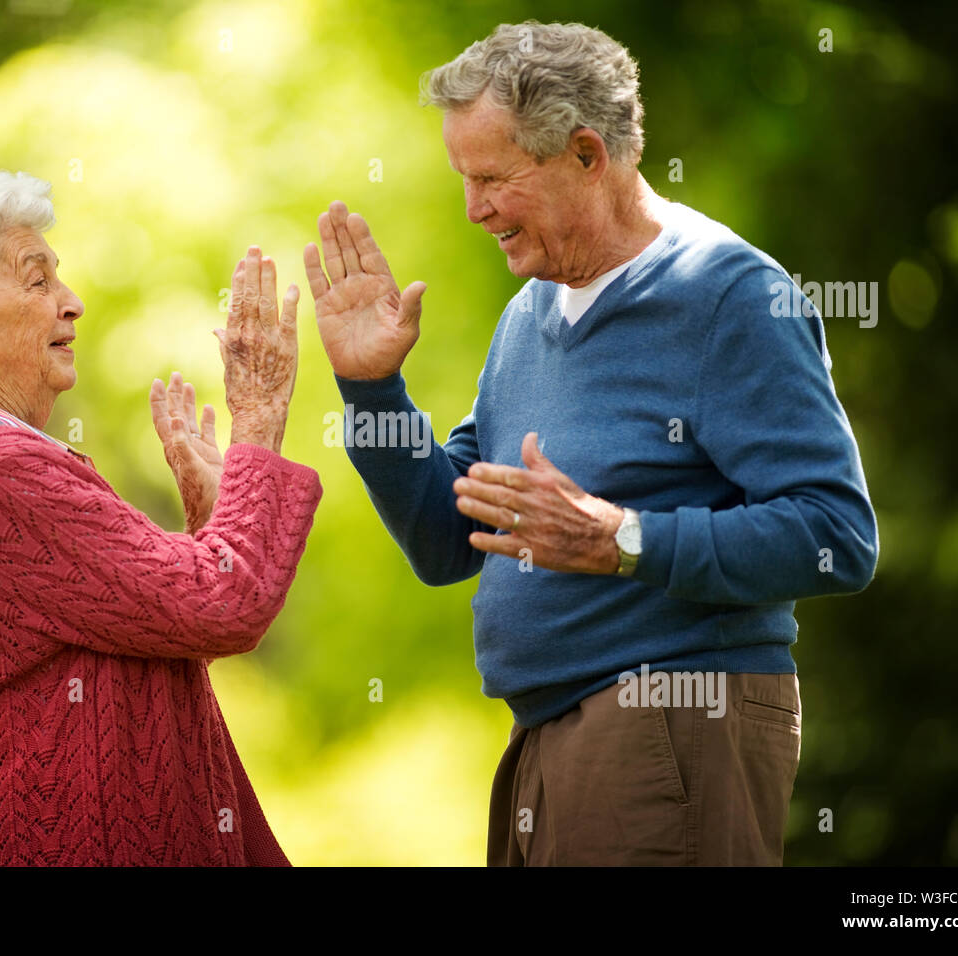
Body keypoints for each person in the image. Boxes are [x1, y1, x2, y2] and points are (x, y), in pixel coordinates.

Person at [303, 21, 878, 865]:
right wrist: (371, 388)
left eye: (493, 177)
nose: (474, 209)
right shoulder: (530, 314)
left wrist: (622, 539)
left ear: (584, 153)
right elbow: (445, 538)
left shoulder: (728, 295)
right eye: (464, 180)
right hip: (543, 739)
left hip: (671, 724)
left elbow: (837, 536)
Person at [0, 170, 319, 865]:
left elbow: (156, 632)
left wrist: (212, 526)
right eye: (36, 281)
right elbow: (225, 601)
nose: (71, 303)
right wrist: (256, 422)